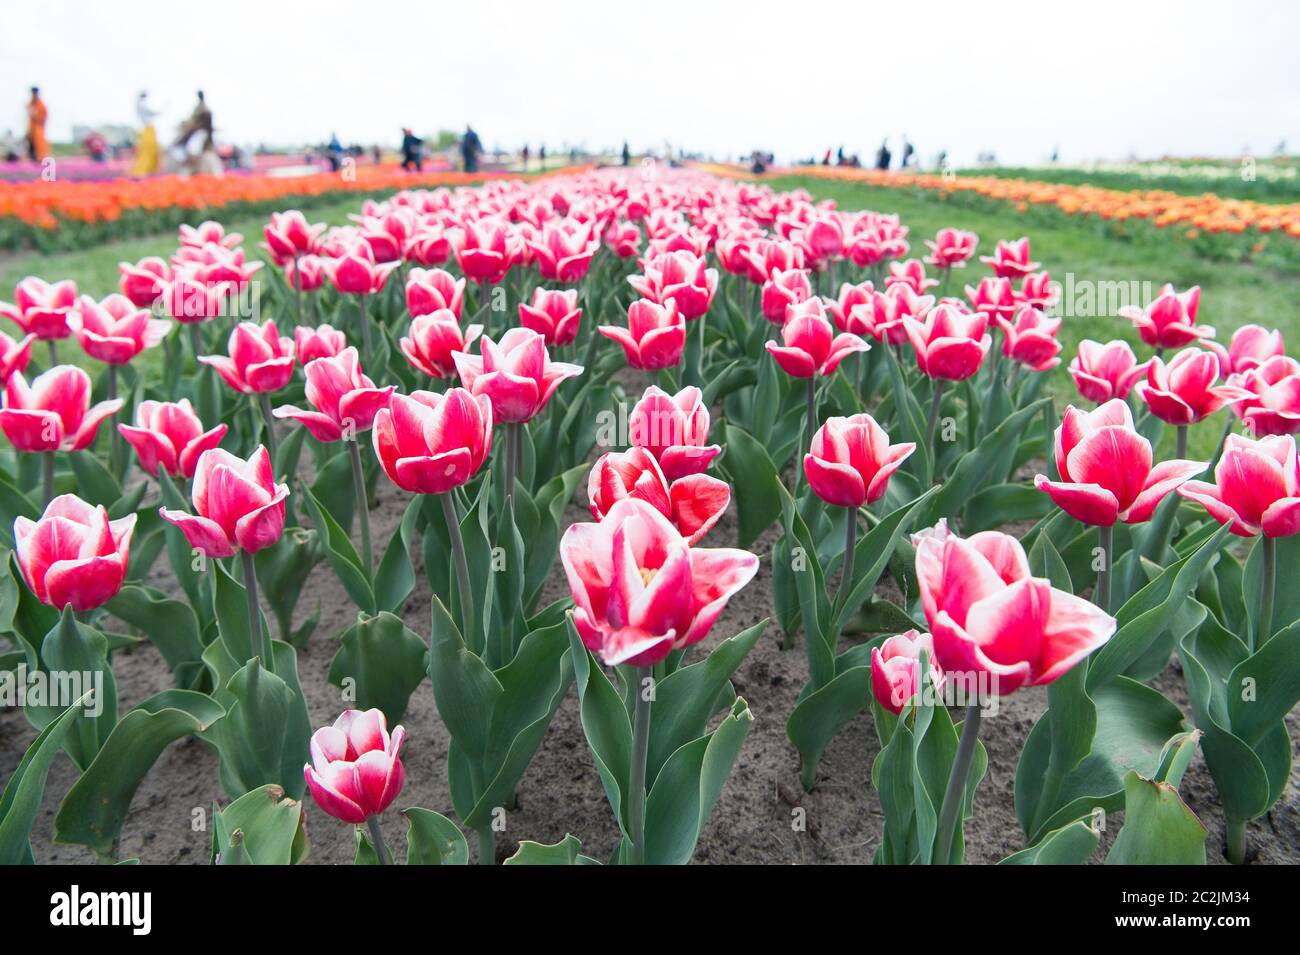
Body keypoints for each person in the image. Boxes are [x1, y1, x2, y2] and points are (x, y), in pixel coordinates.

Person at [132, 91, 161, 176]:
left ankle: (150, 170)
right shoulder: (142, 104)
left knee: (151, 149)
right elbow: (153, 113)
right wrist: (164, 108)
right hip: (148, 129)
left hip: (146, 129)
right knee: (148, 149)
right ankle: (144, 170)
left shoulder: (139, 104)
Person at [26, 87, 49, 162]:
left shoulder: (41, 105)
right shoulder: (30, 104)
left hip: (38, 131)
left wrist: (35, 114)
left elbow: (43, 118)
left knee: (39, 148)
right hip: (31, 131)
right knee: (31, 149)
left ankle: (40, 159)